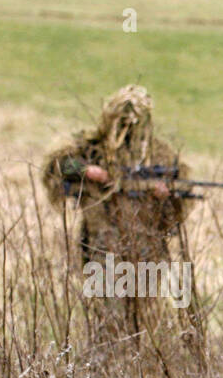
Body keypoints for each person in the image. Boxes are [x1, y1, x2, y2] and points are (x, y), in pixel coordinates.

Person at [42, 85, 197, 349]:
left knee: (146, 321)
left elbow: (184, 187)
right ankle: (108, 377)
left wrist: (168, 191)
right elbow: (56, 166)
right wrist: (87, 171)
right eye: (122, 124)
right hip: (103, 248)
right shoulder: (92, 150)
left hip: (148, 249)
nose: (128, 131)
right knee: (109, 320)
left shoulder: (159, 155)